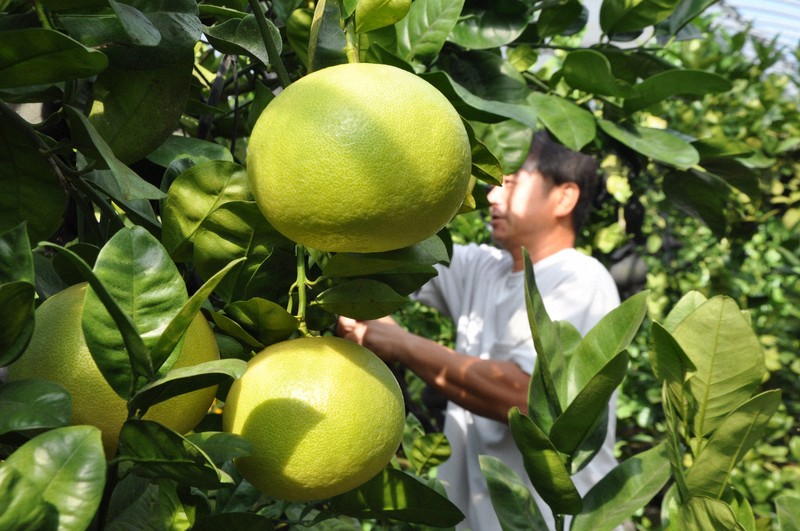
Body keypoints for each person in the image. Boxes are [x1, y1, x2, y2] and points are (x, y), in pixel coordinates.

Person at [337, 131, 621, 530]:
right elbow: (385, 259)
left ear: (564, 197)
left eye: (512, 182)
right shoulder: (482, 269)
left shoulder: (580, 280)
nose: (491, 196)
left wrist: (399, 342)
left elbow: (525, 398)